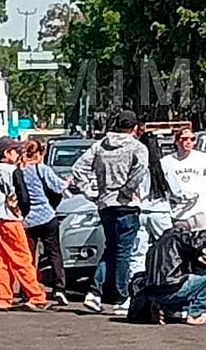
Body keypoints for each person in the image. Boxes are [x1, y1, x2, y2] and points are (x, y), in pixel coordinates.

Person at [72, 109, 148, 314]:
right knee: (124, 253)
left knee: (111, 249)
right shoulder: (137, 147)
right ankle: (121, 298)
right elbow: (139, 171)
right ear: (134, 128)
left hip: (105, 204)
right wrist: (127, 190)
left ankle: (94, 292)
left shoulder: (100, 146)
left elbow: (78, 169)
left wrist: (90, 191)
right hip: (127, 205)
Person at [0, 137, 50, 311]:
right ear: (7, 153)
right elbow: (23, 196)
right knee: (22, 257)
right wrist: (24, 212)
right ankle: (36, 295)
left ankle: (4, 298)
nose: (20, 154)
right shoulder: (13, 171)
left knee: (2, 259)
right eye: (16, 151)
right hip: (12, 219)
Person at [128, 227, 206, 325]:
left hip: (152, 292)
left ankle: (166, 309)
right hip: (171, 288)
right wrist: (205, 238)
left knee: (185, 282)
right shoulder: (177, 238)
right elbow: (196, 243)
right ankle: (195, 314)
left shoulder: (154, 247)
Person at [20, 140, 71, 306]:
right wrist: (68, 181)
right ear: (40, 153)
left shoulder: (19, 171)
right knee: (54, 254)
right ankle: (59, 289)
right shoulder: (41, 169)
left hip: (27, 219)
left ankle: (27, 290)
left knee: (28, 256)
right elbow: (58, 187)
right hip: (47, 217)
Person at [129, 132, 174, 284]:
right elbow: (177, 190)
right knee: (166, 250)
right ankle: (164, 282)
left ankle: (135, 287)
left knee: (137, 254)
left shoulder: (135, 163)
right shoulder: (164, 164)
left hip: (139, 211)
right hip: (160, 212)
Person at [162, 127, 206, 231]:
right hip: (177, 213)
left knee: (203, 244)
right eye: (184, 139)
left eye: (192, 139)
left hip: (198, 211)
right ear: (176, 141)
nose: (188, 142)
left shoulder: (202, 157)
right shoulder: (166, 161)